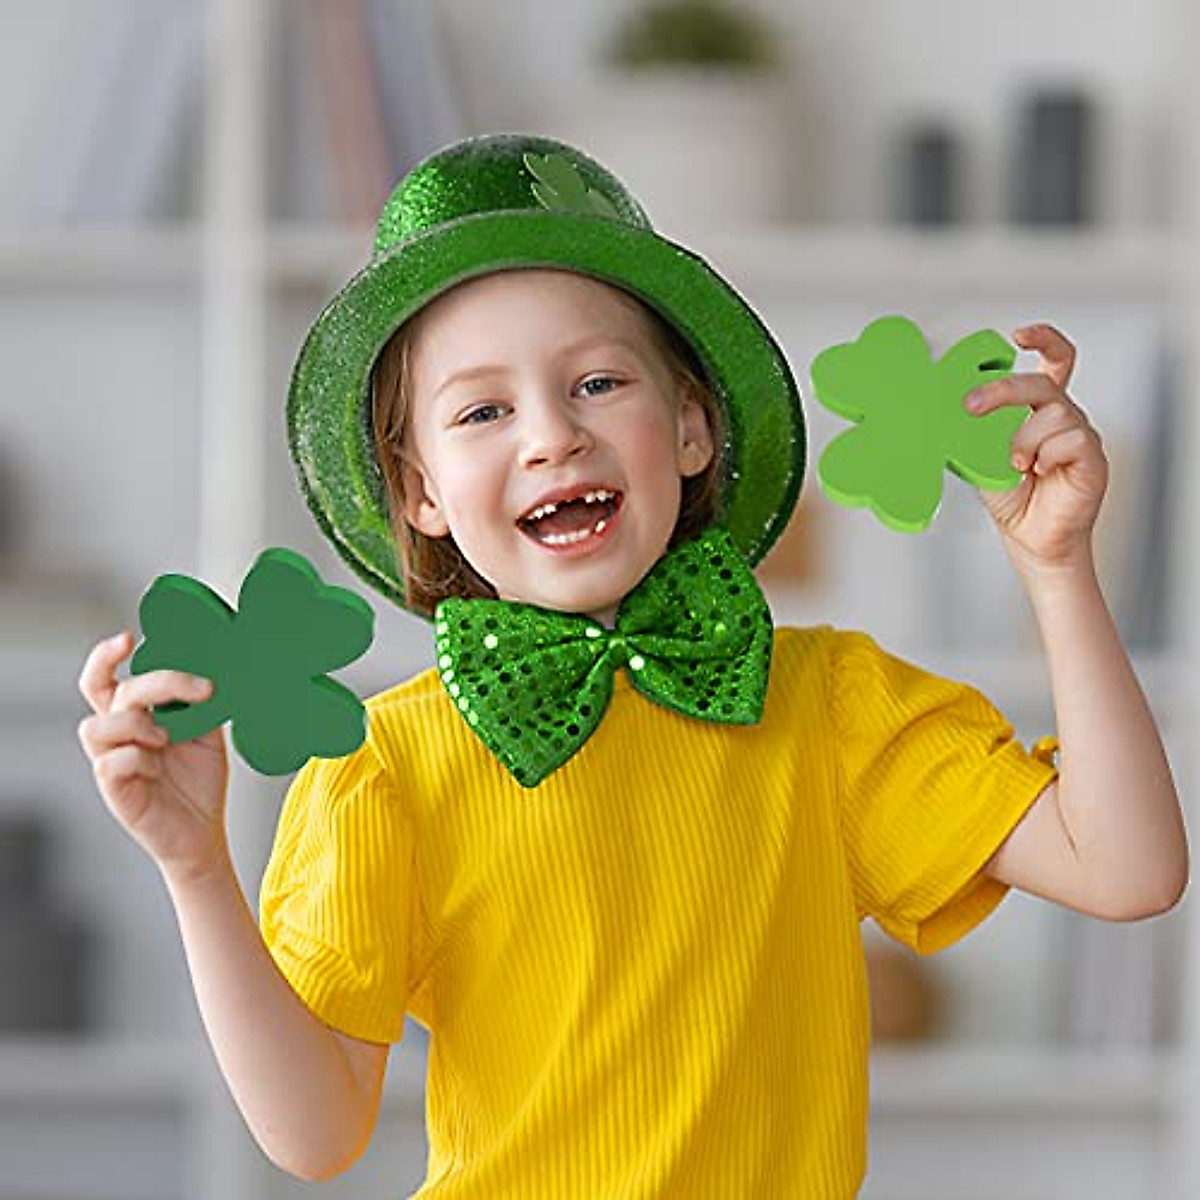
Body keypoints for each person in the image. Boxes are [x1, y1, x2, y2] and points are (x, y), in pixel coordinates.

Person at [76, 134, 1188, 1197]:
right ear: (420, 493)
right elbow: (314, 1137)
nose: (551, 436)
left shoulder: (830, 704)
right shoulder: (384, 769)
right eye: (483, 410)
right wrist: (196, 867)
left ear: (692, 426)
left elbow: (1128, 869)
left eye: (598, 383)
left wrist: (1056, 569)